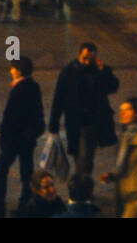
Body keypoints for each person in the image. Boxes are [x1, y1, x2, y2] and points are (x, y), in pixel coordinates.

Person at [48, 42, 120, 177]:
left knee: (86, 155)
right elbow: (59, 97)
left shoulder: (100, 70)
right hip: (75, 120)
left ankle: (82, 182)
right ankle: (82, 182)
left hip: (92, 121)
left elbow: (113, 87)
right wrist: (54, 122)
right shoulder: (68, 71)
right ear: (78, 55)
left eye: (90, 59)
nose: (87, 62)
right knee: (79, 154)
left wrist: (103, 71)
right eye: (84, 58)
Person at [0, 57, 45, 218]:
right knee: (26, 173)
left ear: (19, 70)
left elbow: (11, 117)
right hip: (27, 139)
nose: (10, 71)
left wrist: (4, 135)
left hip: (14, 139)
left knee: (1, 171)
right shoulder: (34, 86)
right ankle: (25, 207)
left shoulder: (20, 89)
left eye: (12, 68)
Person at [101, 97, 137, 218]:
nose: (122, 113)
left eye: (127, 110)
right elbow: (124, 166)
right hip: (122, 196)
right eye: (121, 110)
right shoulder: (125, 137)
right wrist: (112, 175)